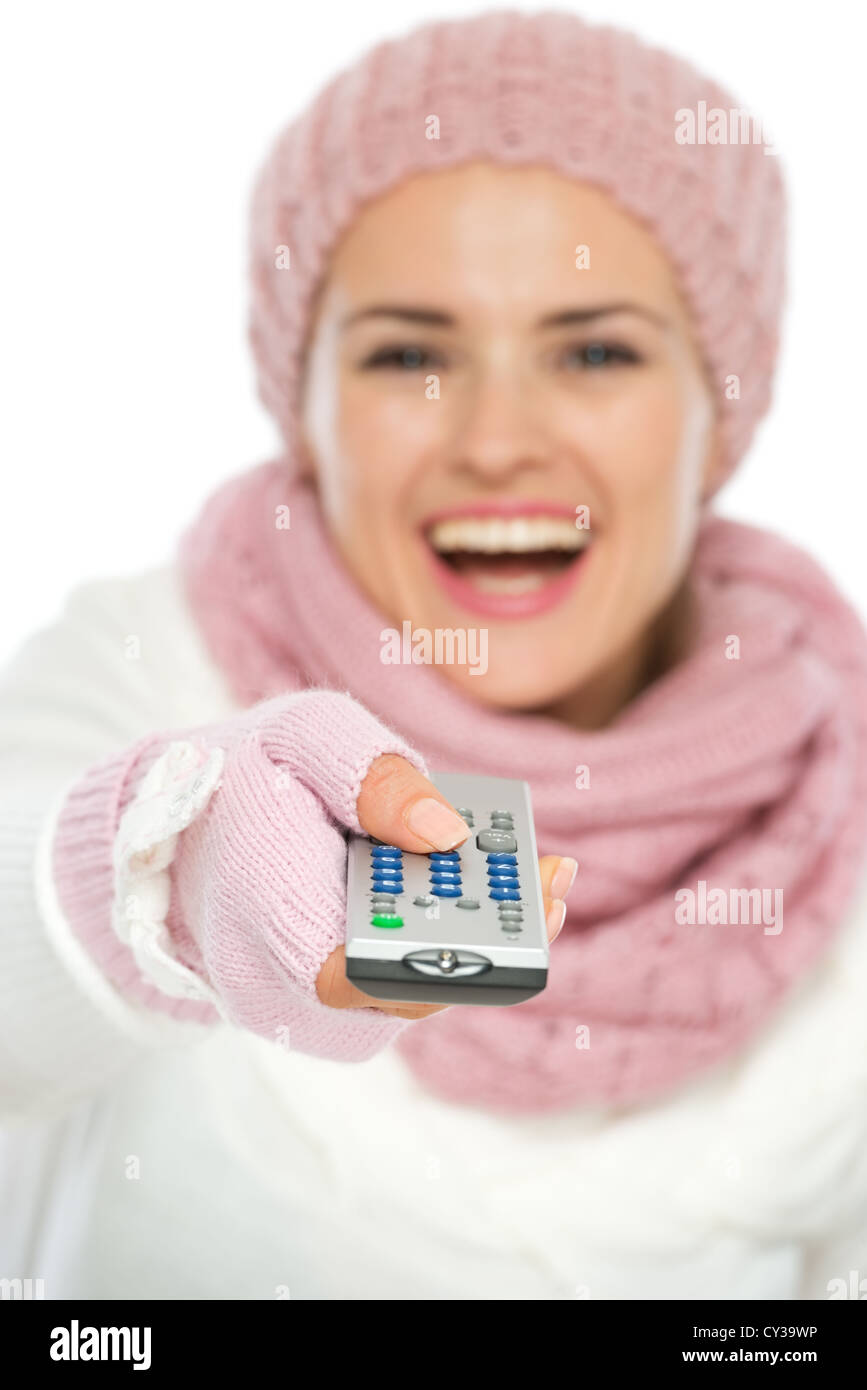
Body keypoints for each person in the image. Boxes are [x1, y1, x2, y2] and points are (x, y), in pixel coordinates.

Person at [3, 8, 867, 1301]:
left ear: (719, 405)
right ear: (302, 406)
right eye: (408, 352)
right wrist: (143, 881)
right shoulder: (146, 663)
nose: (496, 438)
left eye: (594, 349)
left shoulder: (839, 781)